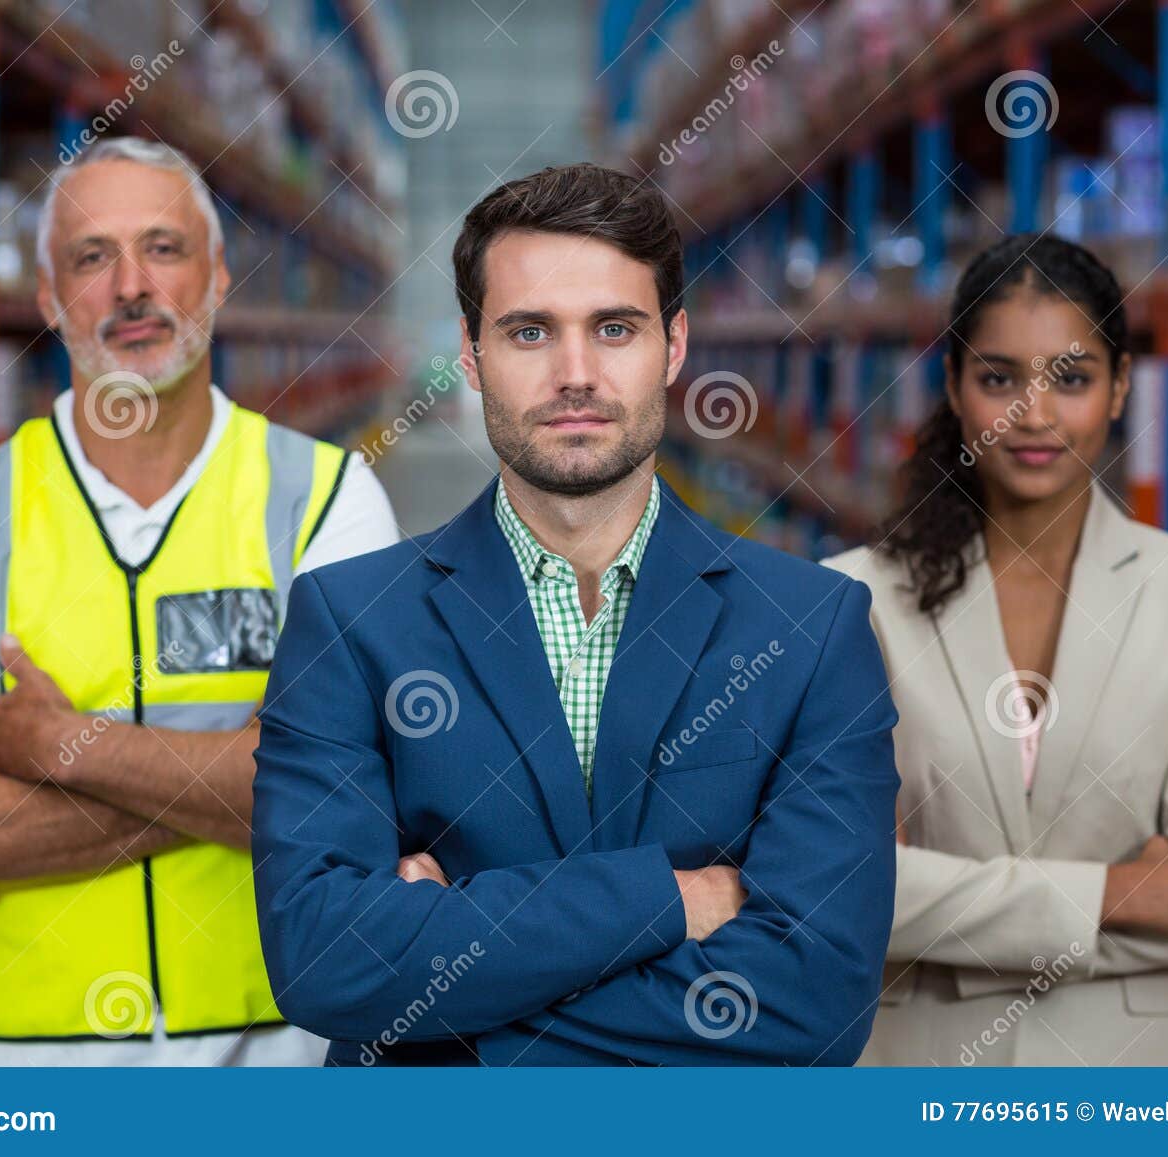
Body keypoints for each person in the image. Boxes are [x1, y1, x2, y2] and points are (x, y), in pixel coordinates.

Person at [250, 162, 900, 1066]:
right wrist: (672, 900)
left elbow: (816, 997)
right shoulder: (353, 622)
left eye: (615, 328)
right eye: (529, 332)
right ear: (471, 357)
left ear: (673, 346)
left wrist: (457, 981)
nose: (576, 373)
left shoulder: (812, 627)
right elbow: (325, 960)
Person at [0, 137, 400, 1066]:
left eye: (164, 248)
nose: (131, 286)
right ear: (47, 300)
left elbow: (354, 799)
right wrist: (241, 785)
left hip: (282, 1058)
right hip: (39, 1076)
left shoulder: (325, 498)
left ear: (218, 278)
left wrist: (54, 749)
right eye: (91, 257)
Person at [825, 234, 1168, 1066]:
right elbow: (843, 891)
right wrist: (1124, 891)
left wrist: (940, 917)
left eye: (1071, 378)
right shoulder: (850, 600)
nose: (1035, 413)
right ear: (953, 387)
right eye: (999, 378)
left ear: (1120, 387)